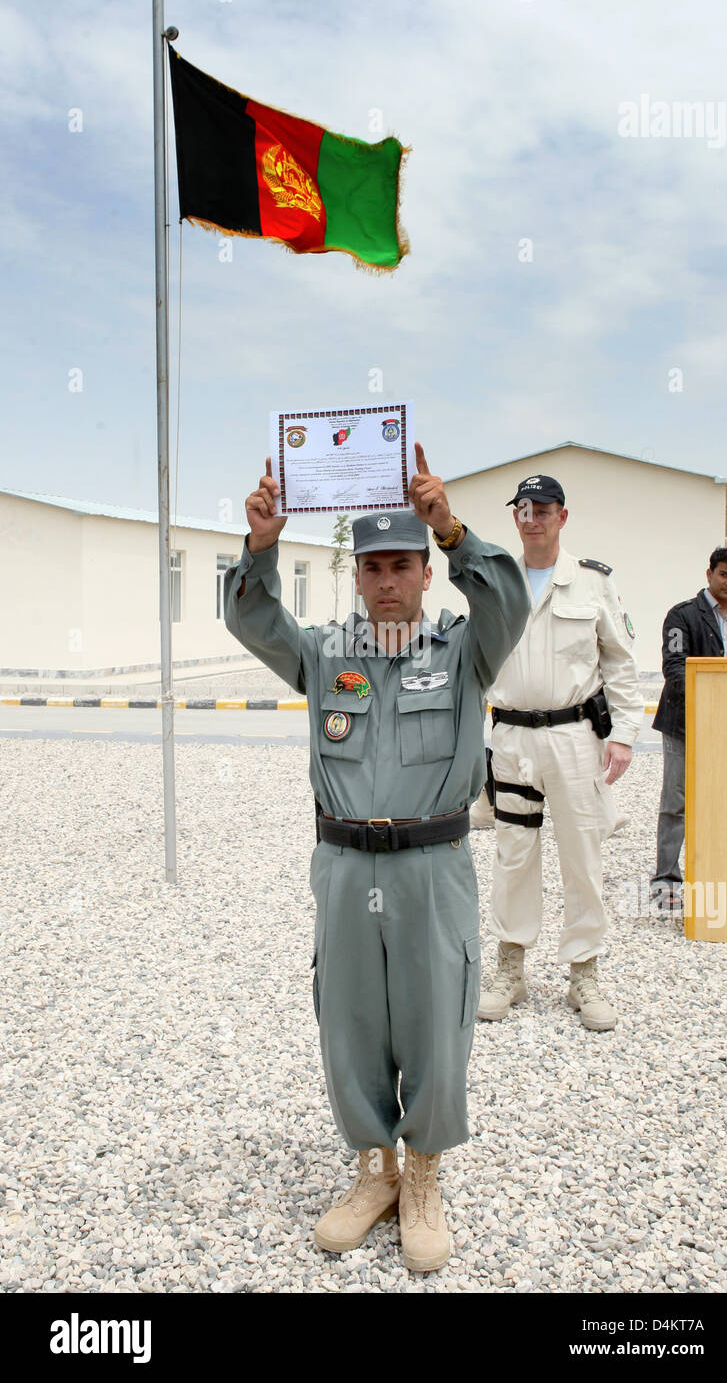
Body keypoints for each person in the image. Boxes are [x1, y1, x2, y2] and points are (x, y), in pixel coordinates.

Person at [224, 445, 529, 1272]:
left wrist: (453, 526)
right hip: (346, 865)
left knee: (435, 1016)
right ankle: (374, 1170)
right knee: (351, 1018)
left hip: (433, 865)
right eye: (373, 567)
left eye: (403, 564)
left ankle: (424, 1174)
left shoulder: (466, 651)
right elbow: (254, 620)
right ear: (355, 576)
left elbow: (508, 598)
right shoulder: (327, 655)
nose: (388, 579)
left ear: (427, 575)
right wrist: (260, 547)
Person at [477, 475, 644, 1032]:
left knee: (582, 857)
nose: (531, 517)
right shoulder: (500, 581)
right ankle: (511, 969)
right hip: (513, 740)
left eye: (543, 508)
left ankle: (583, 974)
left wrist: (622, 734)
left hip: (575, 739)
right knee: (513, 855)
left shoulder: (592, 582)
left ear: (562, 516)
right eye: (522, 508)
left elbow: (619, 662)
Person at [650, 546, 727, 913]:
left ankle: (716, 869)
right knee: (676, 802)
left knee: (722, 799)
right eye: (724, 574)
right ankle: (666, 881)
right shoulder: (682, 615)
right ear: (708, 573)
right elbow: (675, 669)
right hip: (684, 722)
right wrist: (709, 702)